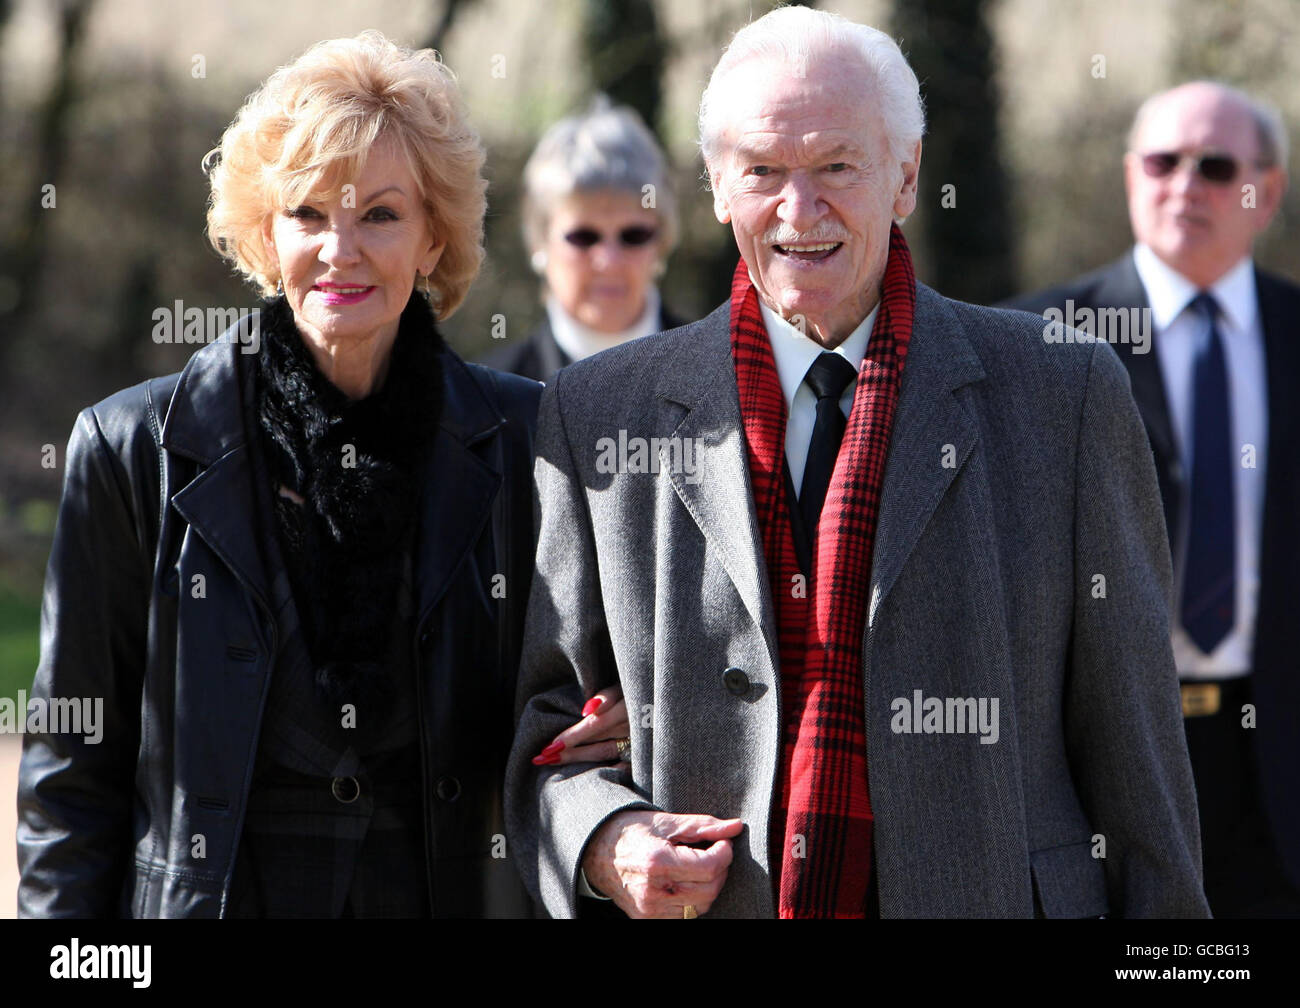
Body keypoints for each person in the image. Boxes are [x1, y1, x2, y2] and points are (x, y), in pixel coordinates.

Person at [506, 6, 1209, 919]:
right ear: (717, 186)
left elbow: (1139, 754)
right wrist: (607, 844)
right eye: (763, 171)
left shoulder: (1064, 393)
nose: (801, 211)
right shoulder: (597, 412)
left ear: (906, 175)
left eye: (838, 166)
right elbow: (553, 734)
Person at [17, 31, 625, 919]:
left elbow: (576, 703)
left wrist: (613, 717)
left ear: (432, 237)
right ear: (266, 235)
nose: (341, 249)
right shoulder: (125, 448)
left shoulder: (529, 441)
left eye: (380, 214)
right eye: (308, 213)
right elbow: (70, 779)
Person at [1004, 81, 1299, 917]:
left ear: (1265, 191)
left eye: (1215, 166)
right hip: (1105, 754)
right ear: (1132, 176)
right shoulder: (1037, 344)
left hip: (1273, 754)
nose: (1184, 186)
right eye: (1163, 162)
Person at [484, 96, 685, 382]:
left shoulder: (720, 378)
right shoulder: (492, 399)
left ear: (662, 240)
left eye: (633, 236)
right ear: (539, 241)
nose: (609, 261)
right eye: (583, 237)